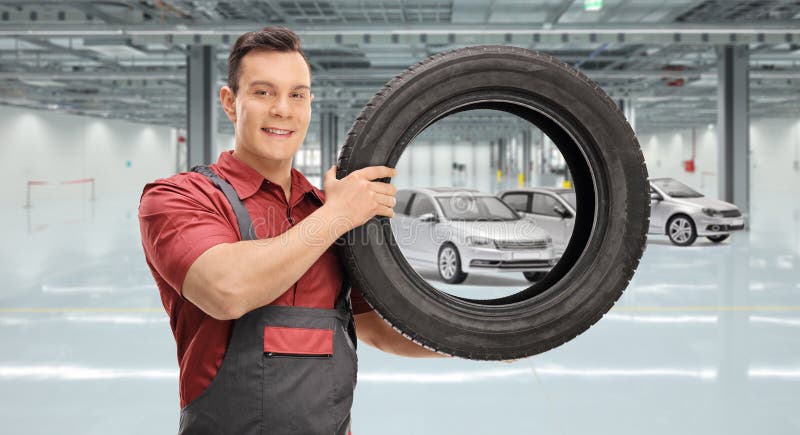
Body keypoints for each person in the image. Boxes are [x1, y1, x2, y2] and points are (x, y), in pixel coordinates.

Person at [138, 26, 444, 435]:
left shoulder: (326, 208)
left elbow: (378, 329)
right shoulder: (180, 198)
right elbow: (226, 290)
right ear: (230, 103)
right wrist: (337, 216)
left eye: (297, 94)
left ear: (309, 104)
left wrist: (484, 339)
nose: (283, 109)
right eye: (263, 92)